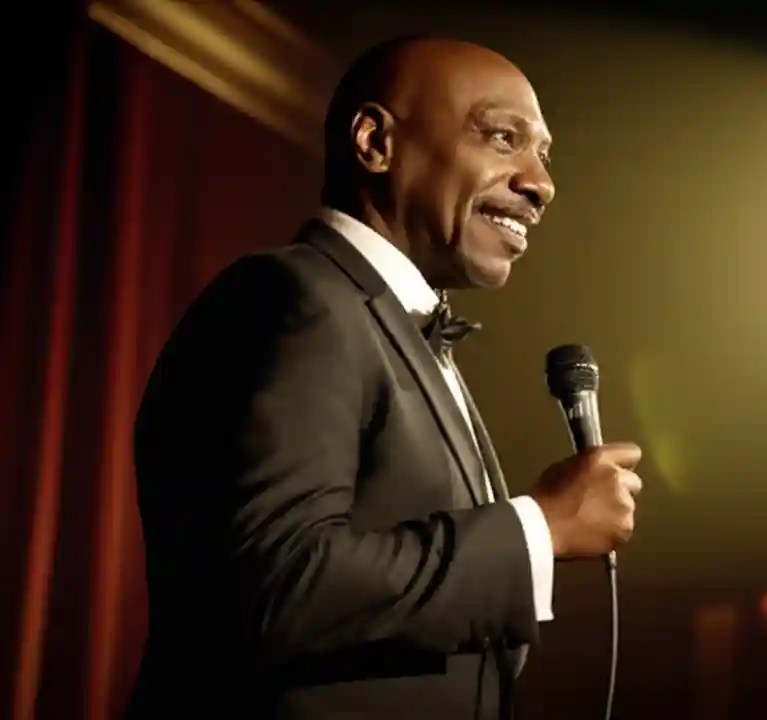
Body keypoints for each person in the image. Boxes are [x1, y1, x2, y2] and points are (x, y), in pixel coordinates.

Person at [125, 36, 643, 720]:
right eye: (503, 138)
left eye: (543, 155)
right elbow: (278, 583)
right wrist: (538, 529)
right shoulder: (294, 299)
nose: (540, 184)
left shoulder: (392, 324)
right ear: (375, 142)